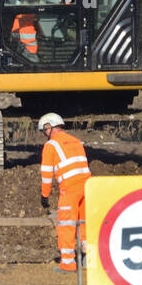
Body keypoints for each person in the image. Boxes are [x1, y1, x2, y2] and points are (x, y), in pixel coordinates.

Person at [38, 112, 91, 271]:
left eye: (44, 131)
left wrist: (44, 195)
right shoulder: (76, 141)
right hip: (88, 186)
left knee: (66, 224)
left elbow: (47, 173)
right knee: (85, 223)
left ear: (49, 127)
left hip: (70, 189)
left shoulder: (51, 145)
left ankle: (68, 264)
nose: (44, 135)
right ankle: (89, 261)